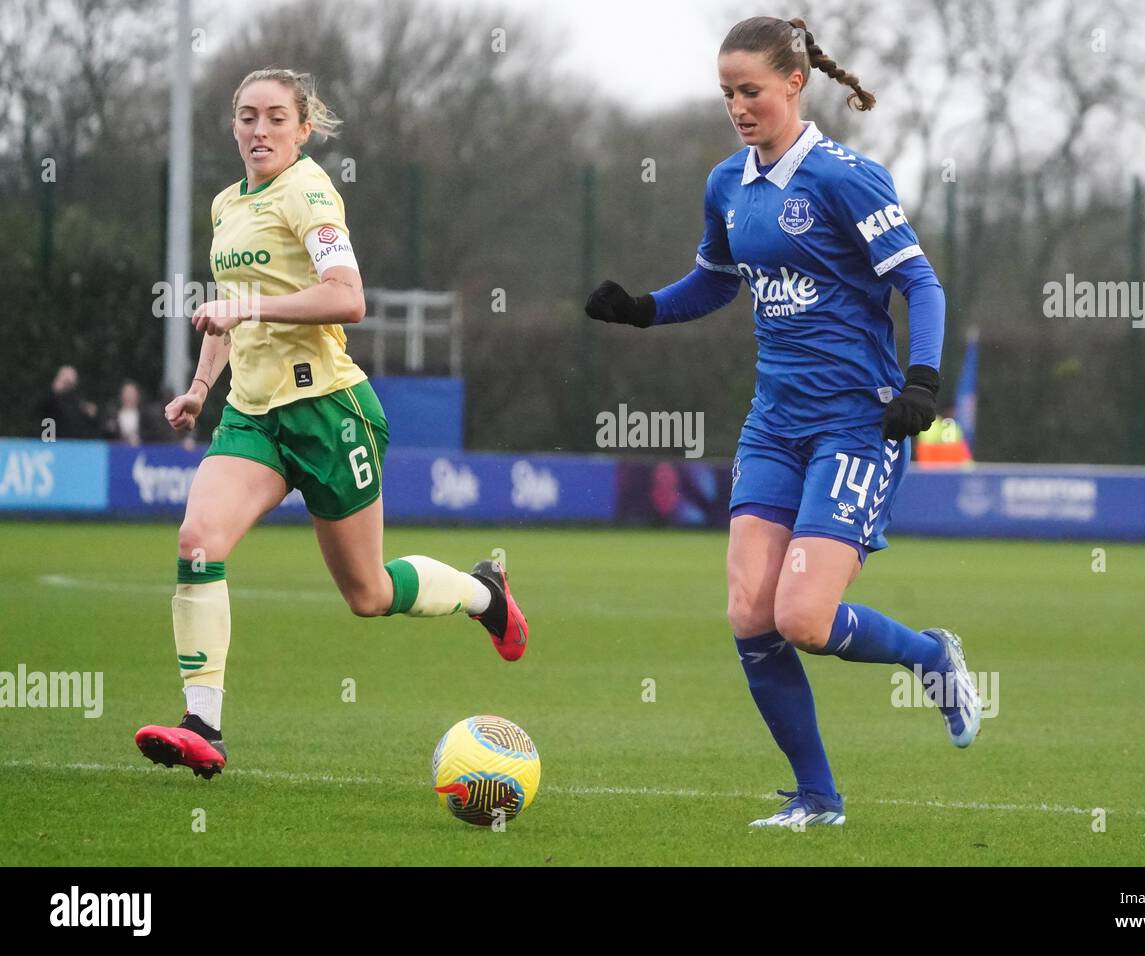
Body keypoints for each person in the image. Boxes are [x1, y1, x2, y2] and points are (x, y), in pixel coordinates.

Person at [586, 17, 979, 828]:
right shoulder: (727, 183)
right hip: (774, 425)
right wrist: (644, 312)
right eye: (727, 92)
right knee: (749, 615)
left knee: (802, 619)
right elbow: (716, 282)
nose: (737, 105)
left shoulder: (848, 178)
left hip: (854, 425)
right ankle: (818, 800)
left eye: (751, 90)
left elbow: (923, 285)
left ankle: (933, 657)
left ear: (795, 84)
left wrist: (923, 383)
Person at [135, 69, 528, 780]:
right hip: (251, 416)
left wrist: (246, 308)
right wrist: (199, 387)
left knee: (368, 594)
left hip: (327, 413)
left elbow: (348, 299)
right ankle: (204, 726)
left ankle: (484, 594)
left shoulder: (311, 191)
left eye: (276, 118)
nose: (259, 130)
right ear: (232, 126)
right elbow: (229, 307)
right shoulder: (228, 203)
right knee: (198, 541)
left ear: (302, 129)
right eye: (247, 117)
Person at [38, 365, 99, 438]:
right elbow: (42, 409)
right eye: (65, 376)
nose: (68, 380)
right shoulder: (50, 396)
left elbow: (92, 423)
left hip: (76, 442)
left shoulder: (80, 399)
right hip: (53, 440)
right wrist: (55, 390)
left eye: (71, 377)